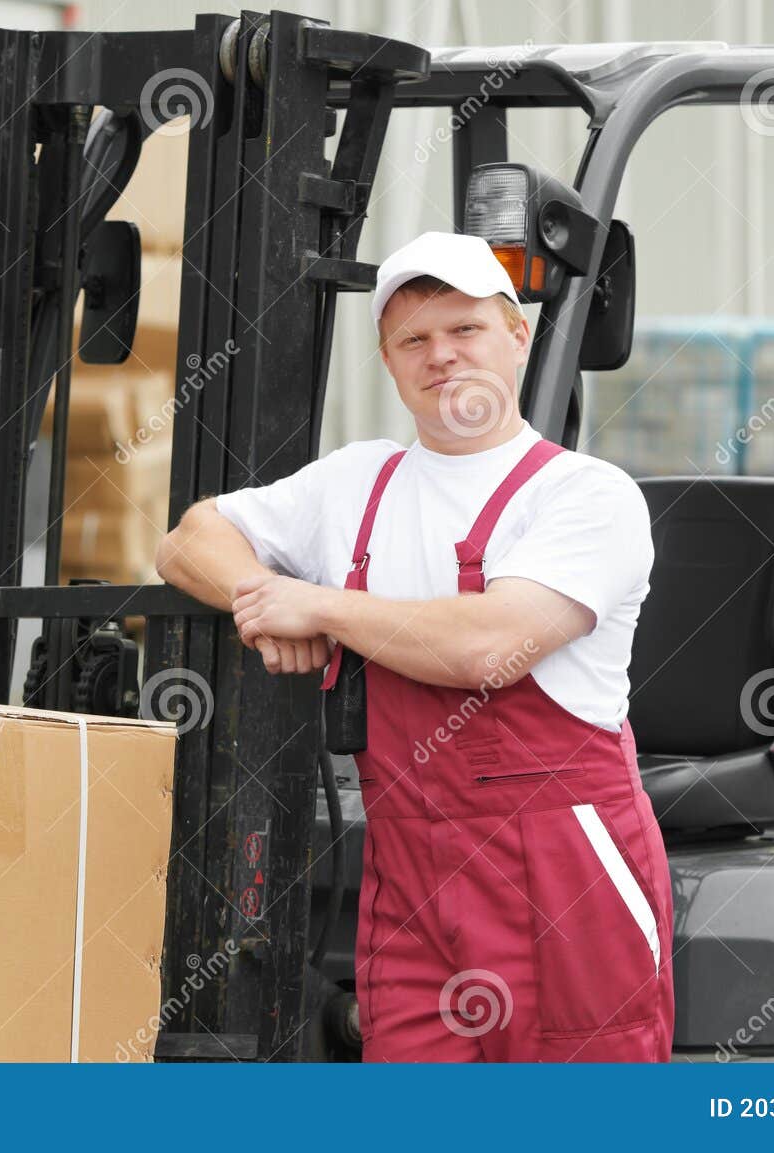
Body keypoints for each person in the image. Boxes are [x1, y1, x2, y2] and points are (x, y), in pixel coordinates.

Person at [154, 230, 673, 1061]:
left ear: (517, 337)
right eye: (413, 340)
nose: (442, 355)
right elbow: (186, 540)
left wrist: (315, 605)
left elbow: (489, 647)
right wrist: (263, 603)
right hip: (409, 868)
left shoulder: (583, 495)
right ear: (390, 364)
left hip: (561, 867)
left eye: (465, 329)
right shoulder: (358, 482)